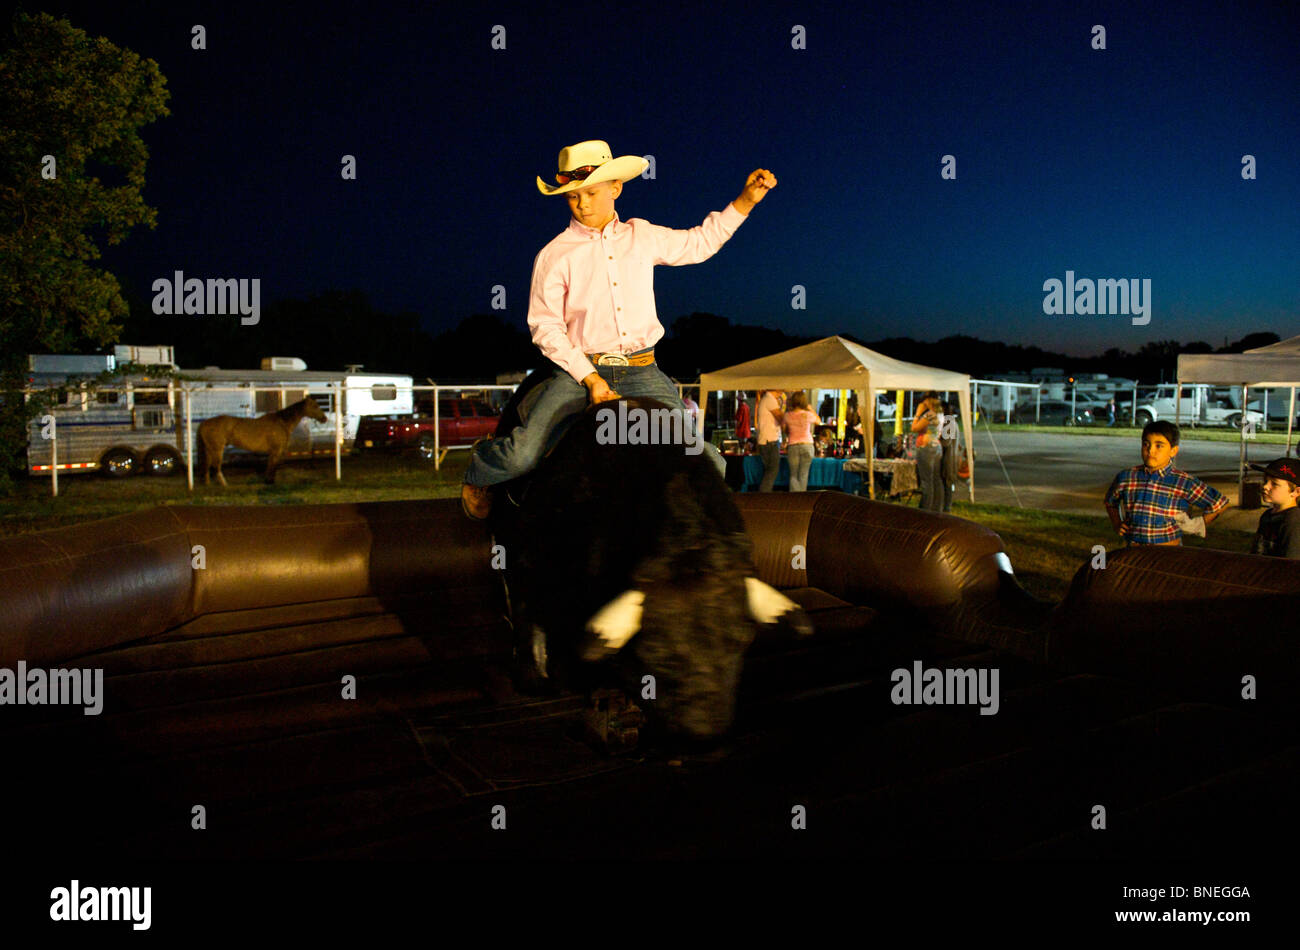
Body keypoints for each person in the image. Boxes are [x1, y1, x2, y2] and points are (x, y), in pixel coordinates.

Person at [460, 140, 777, 518]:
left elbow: (699, 243)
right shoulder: (554, 255)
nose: (582, 203)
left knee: (708, 461)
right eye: (573, 196)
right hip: (578, 374)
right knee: (523, 453)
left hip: (643, 371)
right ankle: (481, 467)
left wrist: (745, 201)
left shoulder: (642, 236)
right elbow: (545, 327)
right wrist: (590, 378)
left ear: (615, 187)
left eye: (591, 192)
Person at [1104, 421, 1228, 545]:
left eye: (1159, 446)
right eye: (1146, 444)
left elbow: (1219, 503)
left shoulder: (1183, 482)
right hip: (1135, 551)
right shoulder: (1127, 477)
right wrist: (1117, 523)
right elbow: (1110, 502)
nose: (1151, 450)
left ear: (1173, 451)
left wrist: (1196, 525)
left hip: (1168, 553)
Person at [1248, 457, 1300, 557]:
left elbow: (1292, 563)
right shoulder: (1267, 515)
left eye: (1274, 484)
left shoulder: (1293, 520)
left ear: (1296, 492)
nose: (1265, 486)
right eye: (1265, 481)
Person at [911, 391, 945, 512]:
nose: (923, 403)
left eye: (924, 400)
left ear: (929, 400)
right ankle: (937, 509)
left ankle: (925, 511)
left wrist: (918, 414)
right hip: (936, 446)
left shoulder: (930, 414)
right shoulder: (940, 414)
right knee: (936, 479)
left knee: (927, 481)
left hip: (926, 448)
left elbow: (914, 428)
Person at [782, 392, 819, 491]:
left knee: (793, 474)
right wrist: (810, 409)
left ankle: (794, 499)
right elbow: (818, 421)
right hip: (807, 445)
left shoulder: (787, 415)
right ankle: (802, 498)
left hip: (793, 445)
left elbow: (784, 429)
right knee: (803, 474)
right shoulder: (808, 414)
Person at [756, 389, 785, 491]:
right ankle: (764, 496)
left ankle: (764, 495)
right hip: (769, 440)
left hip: (767, 439)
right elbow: (781, 418)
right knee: (772, 470)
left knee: (769, 470)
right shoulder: (769, 399)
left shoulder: (767, 399)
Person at [938, 400, 962, 513]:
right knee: (946, 482)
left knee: (946, 482)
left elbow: (946, 442)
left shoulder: (949, 422)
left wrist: (935, 441)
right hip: (951, 455)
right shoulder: (951, 422)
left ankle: (947, 507)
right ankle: (946, 506)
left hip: (949, 457)